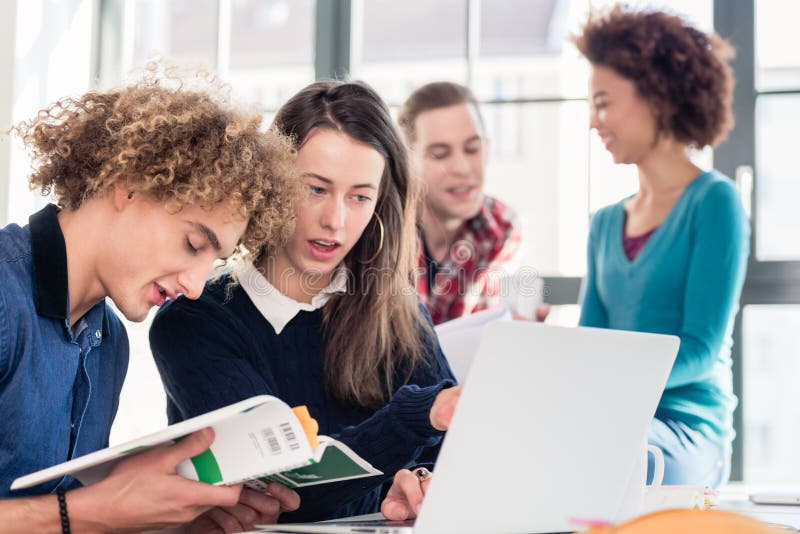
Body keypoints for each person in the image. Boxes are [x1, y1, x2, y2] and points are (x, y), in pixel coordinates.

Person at [0, 66, 303, 532]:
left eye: (214, 260)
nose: (197, 286)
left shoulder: (109, 341)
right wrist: (93, 510)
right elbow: (73, 518)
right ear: (130, 183)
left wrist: (177, 519)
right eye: (193, 245)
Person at [149, 80, 460, 524]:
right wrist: (411, 420)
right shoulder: (195, 321)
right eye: (315, 189)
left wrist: (419, 482)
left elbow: (455, 457)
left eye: (359, 197)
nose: (335, 221)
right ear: (274, 183)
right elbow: (283, 494)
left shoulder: (399, 313)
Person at [573, 5, 749, 486]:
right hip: (615, 422)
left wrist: (613, 383)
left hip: (687, 430)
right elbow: (592, 343)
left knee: (606, 457)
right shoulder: (606, 224)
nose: (594, 121)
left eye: (604, 103)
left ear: (656, 95)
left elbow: (699, 350)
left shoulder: (714, 203)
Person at [397, 82, 524, 325]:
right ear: (407, 162)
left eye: (472, 149)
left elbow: (488, 332)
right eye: (440, 154)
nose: (463, 168)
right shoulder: (381, 227)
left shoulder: (502, 227)